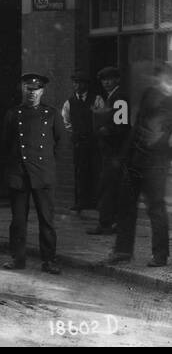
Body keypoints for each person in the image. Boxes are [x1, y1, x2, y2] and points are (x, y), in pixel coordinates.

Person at [0, 73, 65, 274]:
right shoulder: (13, 114)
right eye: (28, 89)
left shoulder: (51, 113)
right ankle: (17, 258)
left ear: (42, 91)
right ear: (23, 90)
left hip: (43, 174)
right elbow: (5, 144)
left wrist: (48, 165)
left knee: (47, 220)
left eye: (36, 90)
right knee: (18, 220)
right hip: (19, 174)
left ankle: (49, 261)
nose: (32, 93)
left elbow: (61, 142)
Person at [109, 63, 172, 267]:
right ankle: (122, 252)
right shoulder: (149, 94)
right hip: (135, 160)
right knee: (126, 205)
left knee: (156, 208)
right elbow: (137, 125)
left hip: (156, 163)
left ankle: (160, 255)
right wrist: (124, 156)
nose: (157, 80)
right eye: (157, 76)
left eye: (162, 77)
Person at [88, 66, 129, 235]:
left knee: (108, 187)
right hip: (114, 152)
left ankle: (105, 224)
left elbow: (121, 126)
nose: (106, 82)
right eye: (104, 80)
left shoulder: (118, 98)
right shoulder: (112, 97)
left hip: (114, 152)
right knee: (113, 187)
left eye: (110, 79)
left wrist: (103, 130)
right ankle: (114, 223)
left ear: (117, 80)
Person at [61, 72, 97, 212]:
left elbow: (101, 117)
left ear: (86, 85)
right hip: (79, 142)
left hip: (94, 141)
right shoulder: (69, 102)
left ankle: (94, 201)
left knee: (95, 170)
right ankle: (81, 202)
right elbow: (66, 121)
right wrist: (76, 133)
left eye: (81, 83)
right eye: (75, 83)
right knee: (80, 171)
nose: (77, 85)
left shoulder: (96, 99)